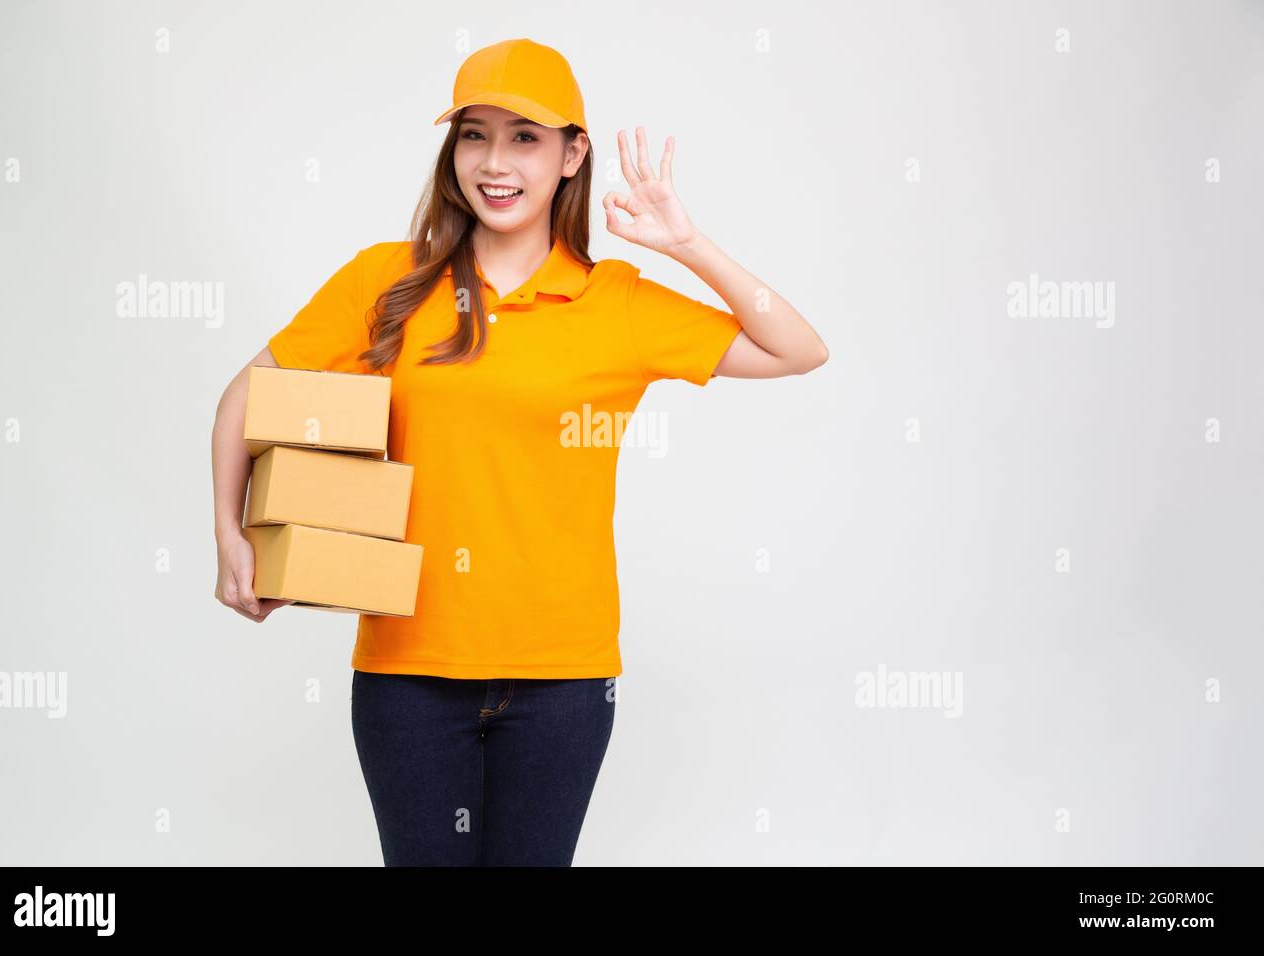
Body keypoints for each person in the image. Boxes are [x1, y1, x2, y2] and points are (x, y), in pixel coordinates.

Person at [210, 37, 828, 866]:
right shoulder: (387, 282)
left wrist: (686, 244)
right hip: (408, 672)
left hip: (563, 682)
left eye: (526, 137)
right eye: (474, 134)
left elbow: (799, 348)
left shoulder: (618, 304)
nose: (494, 162)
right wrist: (230, 537)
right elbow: (243, 399)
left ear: (575, 154)